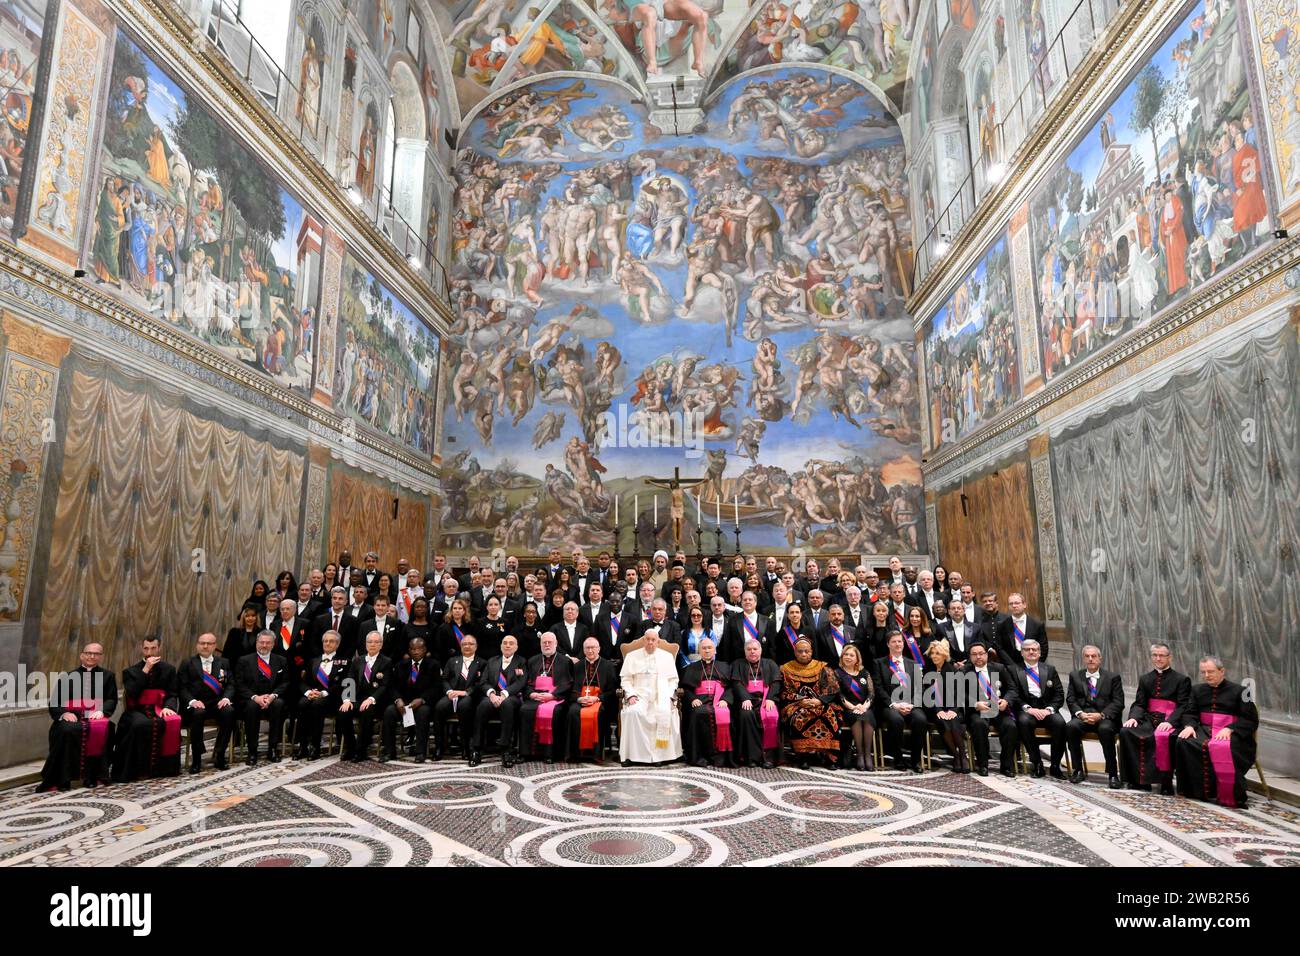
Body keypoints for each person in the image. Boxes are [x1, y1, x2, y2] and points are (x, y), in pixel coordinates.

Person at [1175, 656, 1258, 809]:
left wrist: (1230, 728)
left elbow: (1250, 719)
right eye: (1203, 672)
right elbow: (1190, 713)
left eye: (1211, 671)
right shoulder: (1197, 689)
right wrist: (1189, 726)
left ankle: (1230, 795)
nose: (1207, 676)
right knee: (1184, 741)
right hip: (1204, 730)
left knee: (1224, 747)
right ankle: (1194, 791)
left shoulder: (1242, 691)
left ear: (1222, 671)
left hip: (1232, 733)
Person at [37, 644, 117, 792]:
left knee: (106, 729)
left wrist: (102, 711)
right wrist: (63, 714)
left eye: (96, 654)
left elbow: (111, 699)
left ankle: (92, 776)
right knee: (66, 731)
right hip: (72, 717)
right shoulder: (67, 677)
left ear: (101, 657)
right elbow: (55, 701)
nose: (92, 656)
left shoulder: (108, 676)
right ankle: (63, 778)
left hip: (94, 717)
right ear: (82, 655)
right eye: (88, 653)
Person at [1120, 642, 1191, 794]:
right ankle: (1139, 780)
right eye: (1155, 655)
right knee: (1127, 731)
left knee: (1165, 737)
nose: (1158, 659)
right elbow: (1140, 703)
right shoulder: (1145, 679)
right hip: (1148, 719)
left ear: (1169, 657)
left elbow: (1183, 706)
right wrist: (1134, 718)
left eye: (1162, 656)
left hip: (1170, 720)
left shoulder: (1182, 679)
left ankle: (1165, 782)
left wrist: (1170, 722)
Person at [111, 637, 181, 782]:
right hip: (136, 710)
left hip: (160, 708)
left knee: (169, 722)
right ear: (142, 649)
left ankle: (164, 769)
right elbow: (132, 694)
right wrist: (145, 669)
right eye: (146, 648)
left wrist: (168, 707)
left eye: (153, 648)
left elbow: (172, 693)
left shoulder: (169, 669)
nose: (149, 652)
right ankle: (138, 770)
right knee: (141, 724)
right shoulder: (130, 671)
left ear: (159, 648)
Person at [619, 628, 683, 764]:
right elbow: (626, 679)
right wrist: (630, 695)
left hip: (661, 695)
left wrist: (670, 696)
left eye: (653, 640)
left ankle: (659, 756)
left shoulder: (667, 656)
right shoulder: (632, 656)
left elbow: (674, 680)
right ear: (643, 640)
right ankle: (632, 756)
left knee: (662, 713)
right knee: (633, 713)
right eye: (647, 639)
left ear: (658, 642)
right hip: (639, 695)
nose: (650, 642)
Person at [1065, 644, 1124, 787]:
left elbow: (1118, 702)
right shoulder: (1075, 676)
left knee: (1105, 730)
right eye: (1087, 656)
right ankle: (1078, 770)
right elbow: (1071, 699)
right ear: (1083, 659)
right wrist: (1080, 714)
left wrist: (1101, 715)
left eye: (1093, 656)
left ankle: (1112, 774)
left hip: (1105, 719)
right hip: (1083, 717)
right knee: (1071, 727)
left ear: (1100, 659)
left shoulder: (1112, 677)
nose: (1090, 659)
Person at [779, 638, 841, 769]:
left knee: (829, 714)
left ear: (811, 651)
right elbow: (784, 692)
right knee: (800, 716)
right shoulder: (785, 669)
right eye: (800, 651)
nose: (803, 654)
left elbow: (832, 689)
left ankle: (829, 757)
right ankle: (803, 757)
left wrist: (819, 701)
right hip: (797, 704)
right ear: (795, 652)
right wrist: (800, 701)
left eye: (806, 651)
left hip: (820, 702)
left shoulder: (822, 667)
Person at [178, 632, 235, 774]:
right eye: (202, 643)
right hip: (196, 704)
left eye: (209, 643)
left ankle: (220, 754)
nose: (205, 646)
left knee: (229, 712)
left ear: (214, 646)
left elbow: (231, 685)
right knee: (198, 714)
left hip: (216, 703)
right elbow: (181, 687)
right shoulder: (187, 663)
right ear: (197, 645)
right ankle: (197, 758)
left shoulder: (224, 662)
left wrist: (226, 698)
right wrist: (192, 701)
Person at [1010, 639, 1065, 778]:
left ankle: (1055, 765)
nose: (1031, 652)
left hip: (1047, 709)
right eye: (1027, 649)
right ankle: (1037, 763)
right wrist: (1028, 708)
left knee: (1060, 723)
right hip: (1027, 710)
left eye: (1034, 649)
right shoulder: (1013, 670)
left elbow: (1059, 694)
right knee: (1023, 722)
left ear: (1040, 653)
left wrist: (1049, 710)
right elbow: (1013, 694)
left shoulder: (1050, 669)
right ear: (1022, 653)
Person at [234, 630, 289, 766]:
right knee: (252, 707)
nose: (264, 645)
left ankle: (273, 749)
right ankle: (252, 751)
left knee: (278, 705)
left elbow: (286, 682)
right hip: (251, 698)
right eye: (261, 642)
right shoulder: (244, 660)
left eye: (267, 643)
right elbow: (239, 683)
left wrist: (272, 696)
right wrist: (255, 697)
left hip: (273, 697)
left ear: (273, 644)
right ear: (256, 643)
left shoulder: (281, 660)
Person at [382, 637, 440, 762]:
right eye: (413, 649)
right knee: (389, 712)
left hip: (422, 703)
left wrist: (422, 699)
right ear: (409, 650)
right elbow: (392, 686)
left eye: (419, 649)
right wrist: (398, 700)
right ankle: (389, 752)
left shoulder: (433, 665)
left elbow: (436, 688)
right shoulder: (400, 665)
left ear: (424, 650)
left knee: (423, 713)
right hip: (404, 702)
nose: (416, 652)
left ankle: (420, 752)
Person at [874, 631, 926, 772]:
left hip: (911, 704)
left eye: (900, 641)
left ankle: (915, 760)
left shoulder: (913, 663)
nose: (897, 644)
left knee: (920, 719)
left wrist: (912, 704)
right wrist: (894, 704)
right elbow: (878, 688)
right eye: (894, 641)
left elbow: (919, 687)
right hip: (890, 705)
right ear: (888, 644)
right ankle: (898, 758)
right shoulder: (879, 663)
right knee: (896, 720)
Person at [519, 631, 574, 763]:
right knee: (525, 710)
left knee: (556, 712)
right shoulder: (532, 661)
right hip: (536, 696)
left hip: (555, 698)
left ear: (556, 644)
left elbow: (569, 683)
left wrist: (553, 695)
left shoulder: (565, 661)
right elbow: (525, 682)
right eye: (544, 642)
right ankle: (526, 753)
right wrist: (531, 693)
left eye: (550, 642)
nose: (547, 645)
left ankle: (550, 753)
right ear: (540, 644)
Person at [966, 641, 1018, 777]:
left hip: (999, 710)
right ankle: (983, 765)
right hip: (979, 711)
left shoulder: (999, 668)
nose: (978, 657)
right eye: (974, 654)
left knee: (1010, 726)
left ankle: (1006, 765)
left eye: (981, 654)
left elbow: (1012, 689)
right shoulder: (964, 671)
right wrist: (974, 704)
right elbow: (959, 694)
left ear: (987, 655)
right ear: (970, 657)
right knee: (978, 725)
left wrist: (1006, 700)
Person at [680, 637, 733, 767]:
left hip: (719, 701)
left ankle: (721, 757)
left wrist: (725, 699)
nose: (707, 650)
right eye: (704, 648)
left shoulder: (724, 666)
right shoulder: (691, 668)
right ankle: (699, 756)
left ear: (715, 650)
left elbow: (731, 686)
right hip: (700, 701)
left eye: (710, 648)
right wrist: (693, 699)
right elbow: (686, 688)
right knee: (698, 714)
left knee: (725, 715)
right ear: (699, 651)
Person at [476, 634, 528, 766]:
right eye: (505, 643)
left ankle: (506, 749)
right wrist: (492, 694)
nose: (508, 645)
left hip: (511, 697)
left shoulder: (521, 661)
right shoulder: (492, 661)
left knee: (507, 705)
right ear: (500, 646)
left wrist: (505, 694)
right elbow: (483, 682)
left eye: (511, 643)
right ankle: (476, 749)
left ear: (516, 647)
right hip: (492, 696)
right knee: (482, 706)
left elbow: (521, 683)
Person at [339, 630, 390, 762]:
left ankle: (361, 750)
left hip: (375, 700)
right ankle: (351, 748)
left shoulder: (386, 662)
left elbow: (385, 686)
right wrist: (346, 699)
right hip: (358, 698)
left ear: (381, 644)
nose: (372, 644)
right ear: (365, 644)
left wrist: (371, 699)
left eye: (376, 642)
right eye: (369, 642)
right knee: (343, 713)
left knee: (367, 711)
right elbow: (349, 680)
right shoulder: (357, 660)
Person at [731, 638, 782, 768]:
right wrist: (745, 698)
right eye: (749, 649)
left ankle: (768, 758)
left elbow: (776, 682)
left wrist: (770, 698)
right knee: (745, 715)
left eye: (755, 649)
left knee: (771, 716)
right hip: (747, 700)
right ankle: (751, 757)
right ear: (744, 652)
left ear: (761, 650)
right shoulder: (738, 664)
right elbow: (736, 683)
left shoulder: (770, 663)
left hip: (765, 700)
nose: (752, 652)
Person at [568, 637, 620, 763]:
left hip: (599, 701)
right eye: (587, 648)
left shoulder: (608, 665)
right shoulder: (577, 666)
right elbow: (571, 686)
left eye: (593, 647)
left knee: (598, 713)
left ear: (599, 649)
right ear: (584, 650)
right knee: (573, 712)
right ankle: (576, 754)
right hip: (581, 699)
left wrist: (597, 698)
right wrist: (579, 698)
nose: (590, 650)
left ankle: (595, 753)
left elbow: (613, 690)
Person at [298, 630, 347, 759]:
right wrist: (309, 692)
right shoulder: (313, 661)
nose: (327, 644)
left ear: (337, 644)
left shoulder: (344, 662)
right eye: (325, 641)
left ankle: (315, 746)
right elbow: (303, 682)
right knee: (302, 703)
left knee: (317, 705)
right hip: (313, 696)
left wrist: (324, 693)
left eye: (331, 641)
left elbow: (343, 684)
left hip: (332, 698)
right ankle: (302, 746)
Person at [435, 634, 484, 759]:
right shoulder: (452, 661)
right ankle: (439, 747)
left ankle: (466, 747)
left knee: (464, 705)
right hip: (452, 694)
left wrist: (467, 692)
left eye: (470, 644)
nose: (467, 646)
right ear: (460, 647)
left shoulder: (482, 663)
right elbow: (444, 679)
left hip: (469, 696)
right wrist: (449, 691)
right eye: (464, 644)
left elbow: (481, 683)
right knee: (439, 707)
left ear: (477, 646)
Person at [924, 638, 968, 773]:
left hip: (954, 708)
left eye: (937, 653)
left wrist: (953, 710)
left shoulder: (953, 671)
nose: (934, 656)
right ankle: (955, 756)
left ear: (944, 654)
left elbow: (958, 693)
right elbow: (928, 694)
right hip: (934, 709)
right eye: (932, 653)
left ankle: (962, 755)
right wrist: (938, 710)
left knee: (953, 722)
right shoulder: (928, 671)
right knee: (943, 722)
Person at [835, 645, 875, 771]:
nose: (848, 657)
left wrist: (864, 706)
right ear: (842, 657)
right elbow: (839, 695)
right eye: (846, 655)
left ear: (857, 658)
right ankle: (859, 754)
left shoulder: (865, 672)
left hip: (865, 708)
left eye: (851, 655)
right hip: (848, 709)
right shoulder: (837, 673)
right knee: (857, 718)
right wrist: (853, 707)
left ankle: (867, 755)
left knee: (867, 716)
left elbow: (871, 693)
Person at [995, 592, 1046, 668]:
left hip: (1033, 666)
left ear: (1024, 605)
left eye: (1017, 603)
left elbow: (1043, 647)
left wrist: (1035, 664)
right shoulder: (1002, 625)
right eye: (1011, 604)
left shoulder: (1037, 624)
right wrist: (1011, 665)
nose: (1014, 606)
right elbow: (999, 648)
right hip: (1010, 667)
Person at [311, 587, 359, 660]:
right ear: (331, 600)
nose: (337, 601)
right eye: (334, 598)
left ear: (346, 602)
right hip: (322, 660)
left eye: (340, 599)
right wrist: (322, 658)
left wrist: (343, 659)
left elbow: (353, 644)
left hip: (343, 661)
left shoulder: (353, 621)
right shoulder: (320, 619)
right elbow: (314, 642)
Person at [224, 604, 262, 669]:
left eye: (253, 616)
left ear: (256, 617)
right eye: (247, 616)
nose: (250, 618)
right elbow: (226, 652)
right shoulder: (234, 632)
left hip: (256, 668)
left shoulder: (262, 633)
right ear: (243, 617)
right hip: (236, 667)